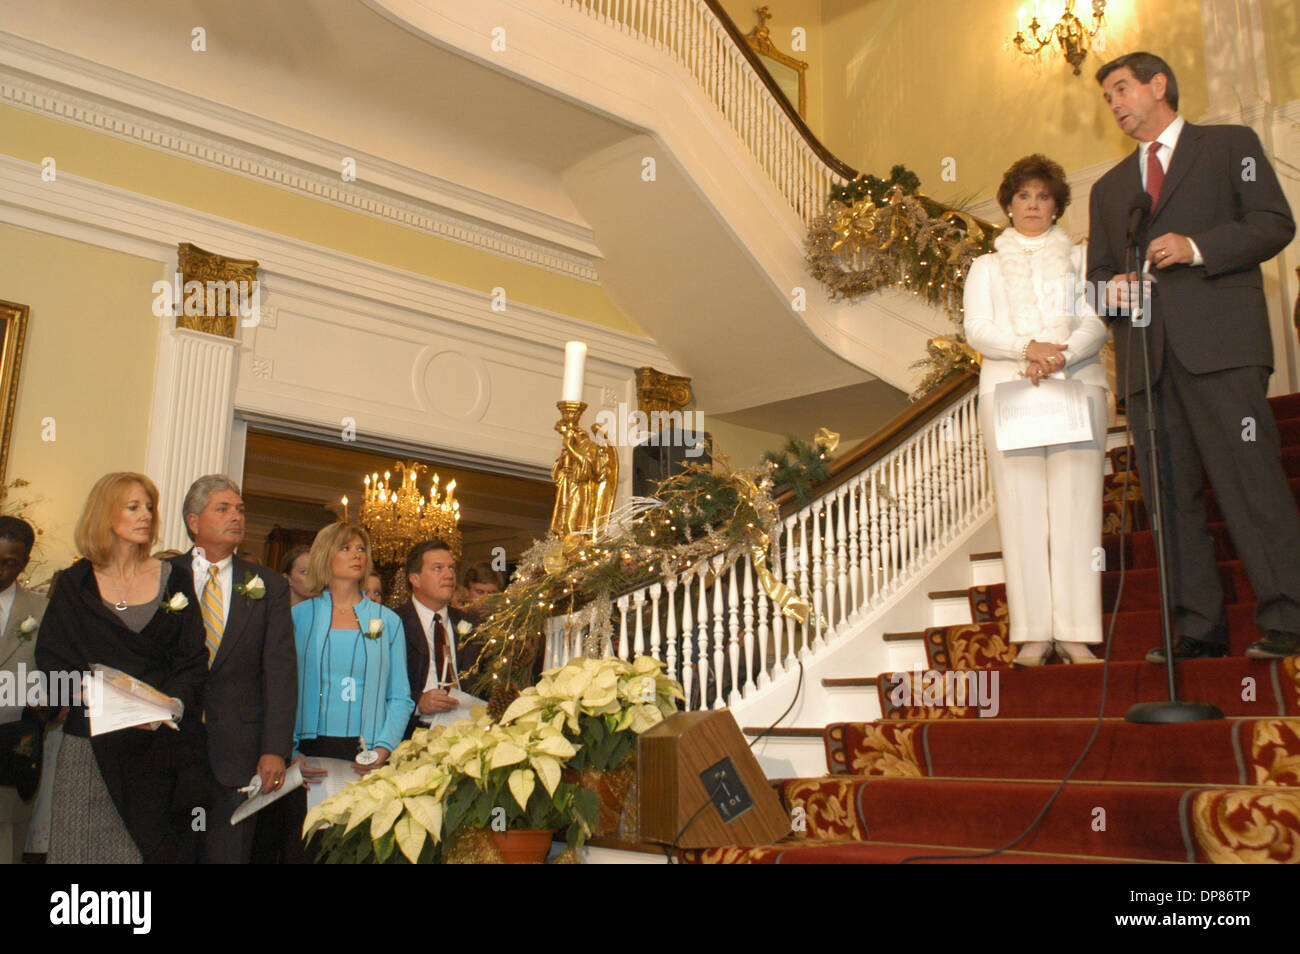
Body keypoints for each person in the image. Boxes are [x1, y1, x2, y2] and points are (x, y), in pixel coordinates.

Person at [1087, 52, 1300, 662]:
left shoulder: (1231, 144)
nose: (1116, 104)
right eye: (1108, 99)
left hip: (1222, 349)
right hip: (1146, 362)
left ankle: (1288, 615)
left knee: (1249, 481)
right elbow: (1096, 276)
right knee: (1169, 497)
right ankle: (1196, 627)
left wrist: (1197, 246)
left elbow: (1272, 223)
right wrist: (1113, 292)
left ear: (1159, 85)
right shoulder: (1108, 189)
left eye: (1122, 89)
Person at [964, 154, 1111, 667]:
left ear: (1057, 206)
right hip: (1008, 392)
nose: (1033, 204)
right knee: (1022, 514)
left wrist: (1061, 356)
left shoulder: (1082, 261)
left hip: (1077, 385)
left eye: (1043, 196)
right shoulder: (984, 266)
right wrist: (1029, 348)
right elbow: (978, 329)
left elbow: (1096, 323)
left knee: (1078, 511)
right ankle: (1032, 634)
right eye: (1024, 195)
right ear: (1007, 205)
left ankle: (1075, 633)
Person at [34, 473, 208, 863]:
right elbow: (52, 661)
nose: (145, 515)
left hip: (157, 750)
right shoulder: (74, 583)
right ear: (104, 514)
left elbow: (192, 661)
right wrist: (105, 700)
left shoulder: (175, 579)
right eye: (133, 507)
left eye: (149, 506)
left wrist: (170, 705)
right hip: (89, 748)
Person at [169, 475, 296, 863]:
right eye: (223, 509)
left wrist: (274, 749)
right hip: (170, 745)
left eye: (240, 510)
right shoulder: (162, 575)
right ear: (194, 521)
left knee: (228, 854)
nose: (236, 517)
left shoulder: (267, 584)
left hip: (239, 751)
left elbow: (279, 671)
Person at [0, 516, 48, 862]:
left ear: (24, 563)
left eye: (9, 563)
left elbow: (52, 676)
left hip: (10, 755)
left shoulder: (41, 611)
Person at [398, 540, 476, 736]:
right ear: (415, 579)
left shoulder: (473, 625)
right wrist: (419, 703)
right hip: (413, 733)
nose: (449, 575)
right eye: (438, 568)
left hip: (467, 732)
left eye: (451, 568)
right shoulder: (395, 623)